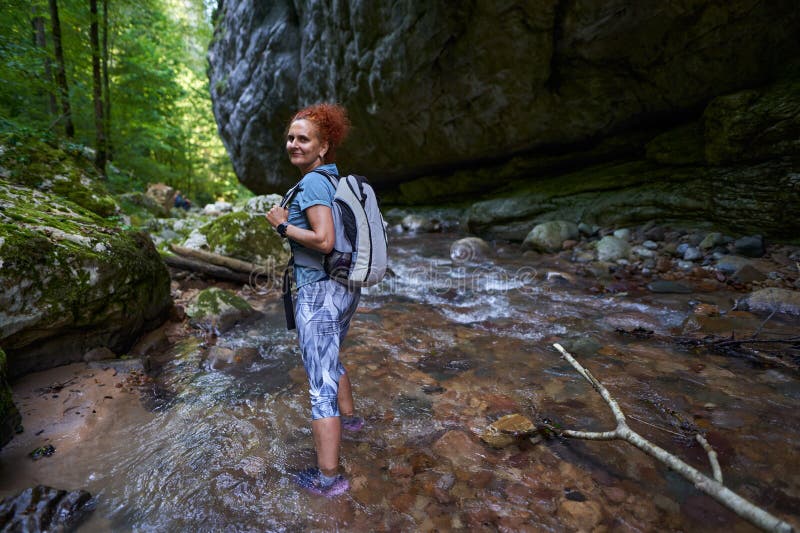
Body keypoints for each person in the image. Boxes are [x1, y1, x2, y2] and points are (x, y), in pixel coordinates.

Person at [266, 103, 363, 497]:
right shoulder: (333, 180)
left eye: (303, 138)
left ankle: (329, 479)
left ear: (323, 147)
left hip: (320, 291)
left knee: (320, 384)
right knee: (332, 358)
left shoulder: (312, 184)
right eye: (290, 137)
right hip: (343, 287)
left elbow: (323, 240)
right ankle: (352, 424)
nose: (294, 144)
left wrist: (283, 225)